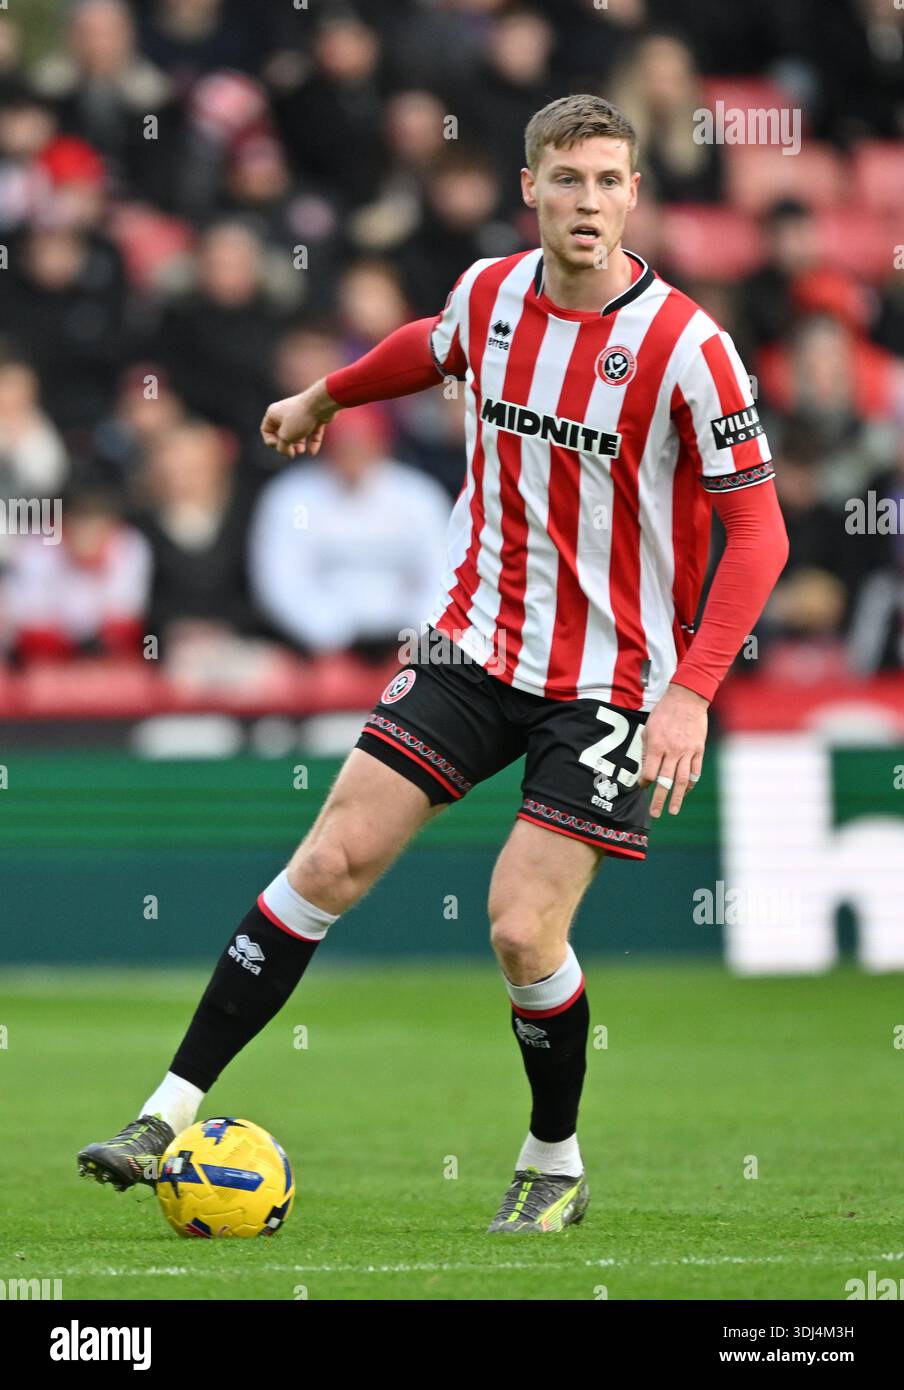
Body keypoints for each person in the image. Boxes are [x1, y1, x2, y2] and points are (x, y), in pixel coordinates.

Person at [78, 93, 789, 1235]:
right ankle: (162, 1112)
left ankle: (552, 1157)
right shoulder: (491, 295)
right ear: (531, 190)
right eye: (568, 180)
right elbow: (431, 346)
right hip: (470, 644)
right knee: (332, 856)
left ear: (634, 196)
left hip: (608, 678)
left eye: (609, 181)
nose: (589, 203)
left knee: (519, 927)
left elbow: (759, 533)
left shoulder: (689, 351)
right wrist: (325, 392)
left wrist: (692, 689)